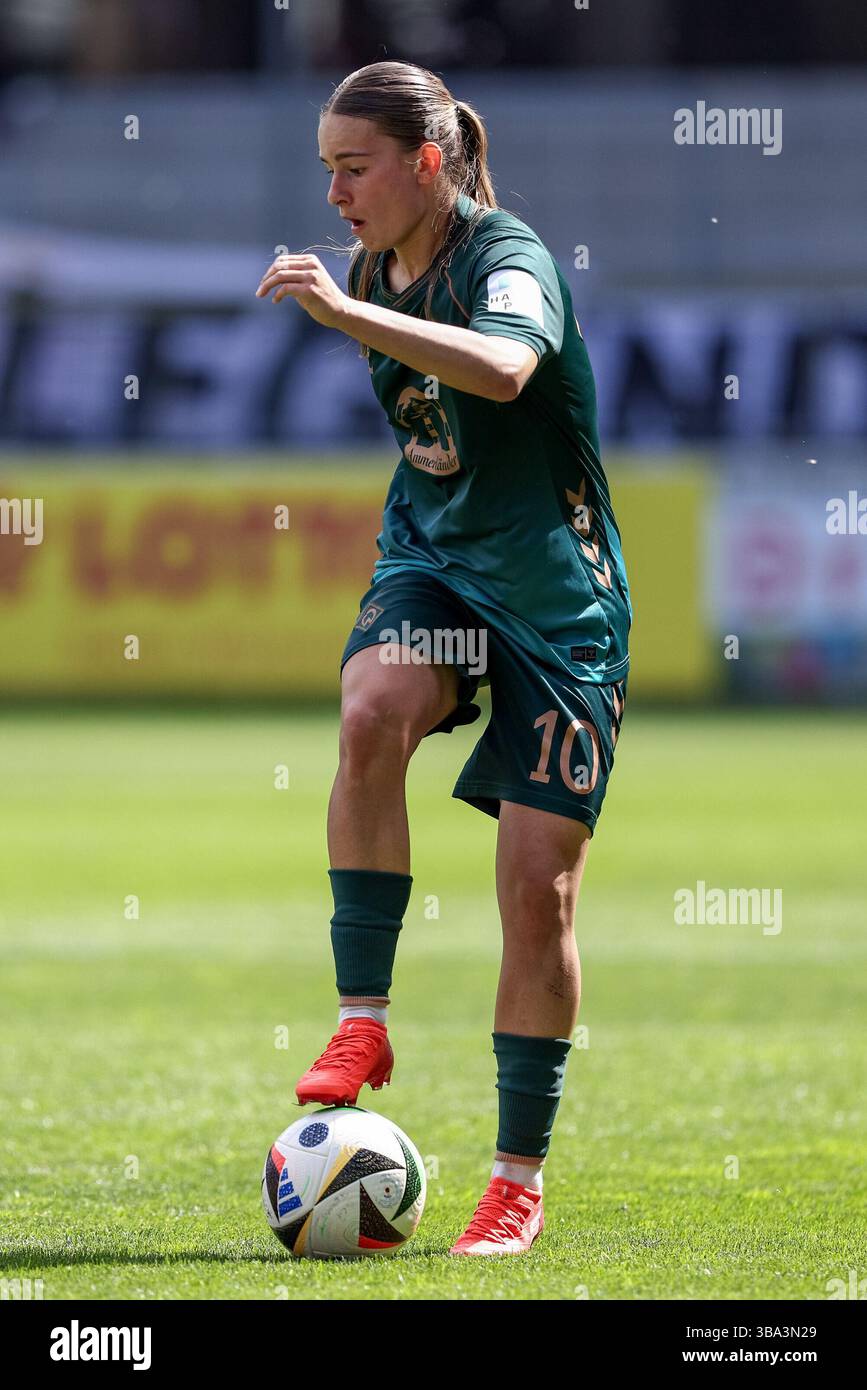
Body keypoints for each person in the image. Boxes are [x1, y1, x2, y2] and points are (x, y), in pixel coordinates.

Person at [256, 60, 631, 1256]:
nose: (334, 193)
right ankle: (361, 1019)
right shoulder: (375, 262)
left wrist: (348, 316)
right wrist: (358, 302)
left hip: (560, 606)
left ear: (426, 163)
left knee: (538, 885)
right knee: (370, 710)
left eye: (352, 167)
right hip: (436, 562)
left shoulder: (507, 256)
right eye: (325, 168)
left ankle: (515, 1180)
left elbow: (509, 366)